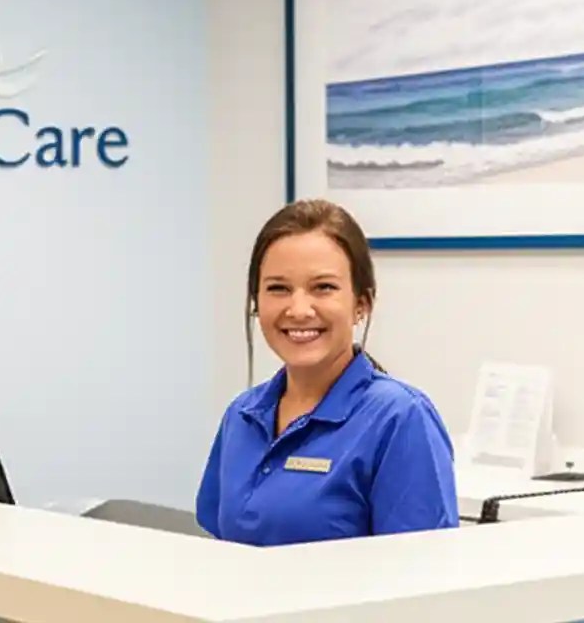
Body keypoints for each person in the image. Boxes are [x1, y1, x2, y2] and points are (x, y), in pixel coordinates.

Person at [196, 199, 458, 546]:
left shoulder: (400, 418)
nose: (299, 309)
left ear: (361, 304)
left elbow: (425, 577)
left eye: (323, 288)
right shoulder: (241, 416)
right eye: (278, 288)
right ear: (256, 303)